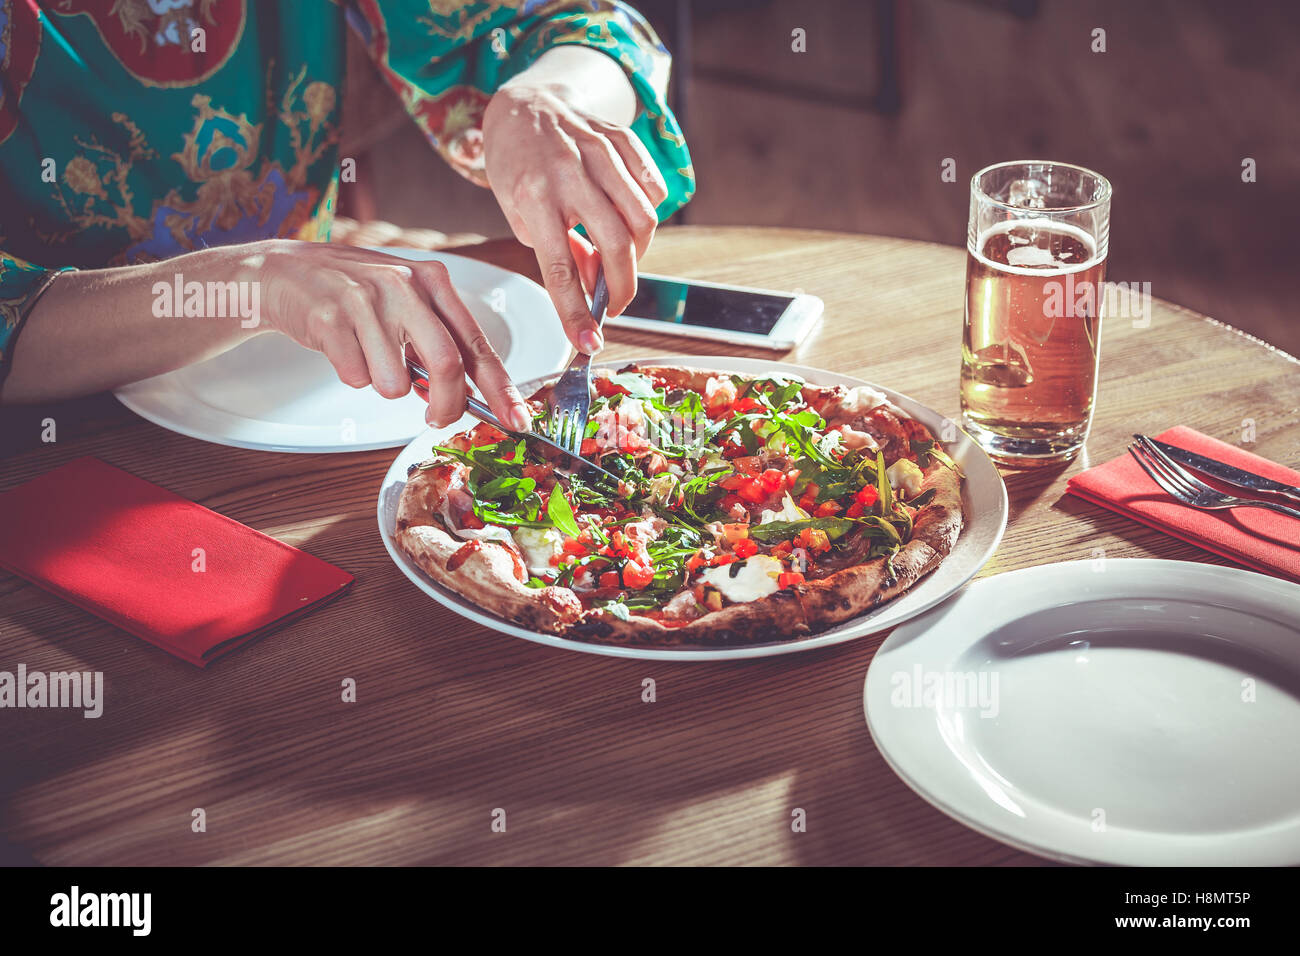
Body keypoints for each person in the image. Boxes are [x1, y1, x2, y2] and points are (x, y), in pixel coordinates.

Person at [0, 0, 694, 430]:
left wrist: (547, 97)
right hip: (50, 458)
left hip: (305, 401)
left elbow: (575, 24)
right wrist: (253, 281)